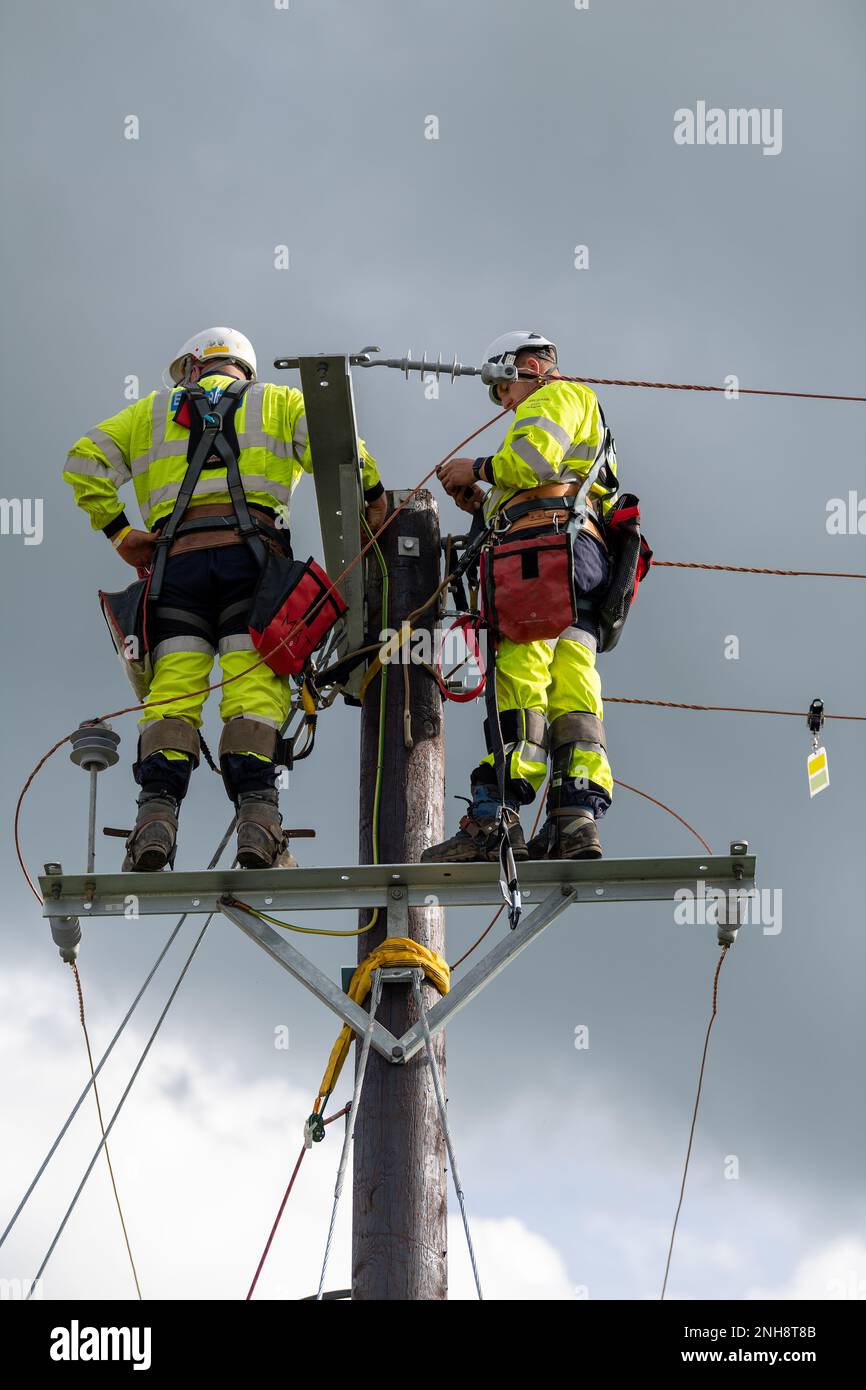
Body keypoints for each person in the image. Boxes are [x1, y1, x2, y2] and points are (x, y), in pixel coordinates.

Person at [64, 327, 387, 871]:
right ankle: (258, 825)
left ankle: (155, 822)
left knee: (172, 691)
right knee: (253, 689)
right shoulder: (279, 402)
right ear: (246, 367)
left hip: (177, 569)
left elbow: (82, 461)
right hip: (253, 568)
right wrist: (375, 501)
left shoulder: (149, 412)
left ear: (194, 364)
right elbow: (344, 452)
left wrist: (121, 533)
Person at [424, 330, 617, 862]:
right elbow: (542, 485)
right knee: (573, 686)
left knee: (520, 678)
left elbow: (530, 461)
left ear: (528, 366)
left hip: (539, 559)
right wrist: (481, 504)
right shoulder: (585, 412)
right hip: (575, 558)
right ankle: (574, 819)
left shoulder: (555, 395)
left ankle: (494, 818)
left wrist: (477, 468)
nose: (503, 403)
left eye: (503, 390)